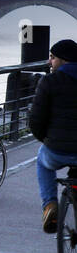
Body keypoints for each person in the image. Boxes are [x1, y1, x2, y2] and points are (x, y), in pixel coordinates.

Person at [29, 38, 77, 233]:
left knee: (42, 159)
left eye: (52, 57)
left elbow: (36, 119)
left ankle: (50, 205)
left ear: (64, 60)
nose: (49, 62)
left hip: (57, 148)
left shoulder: (49, 81)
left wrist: (46, 140)